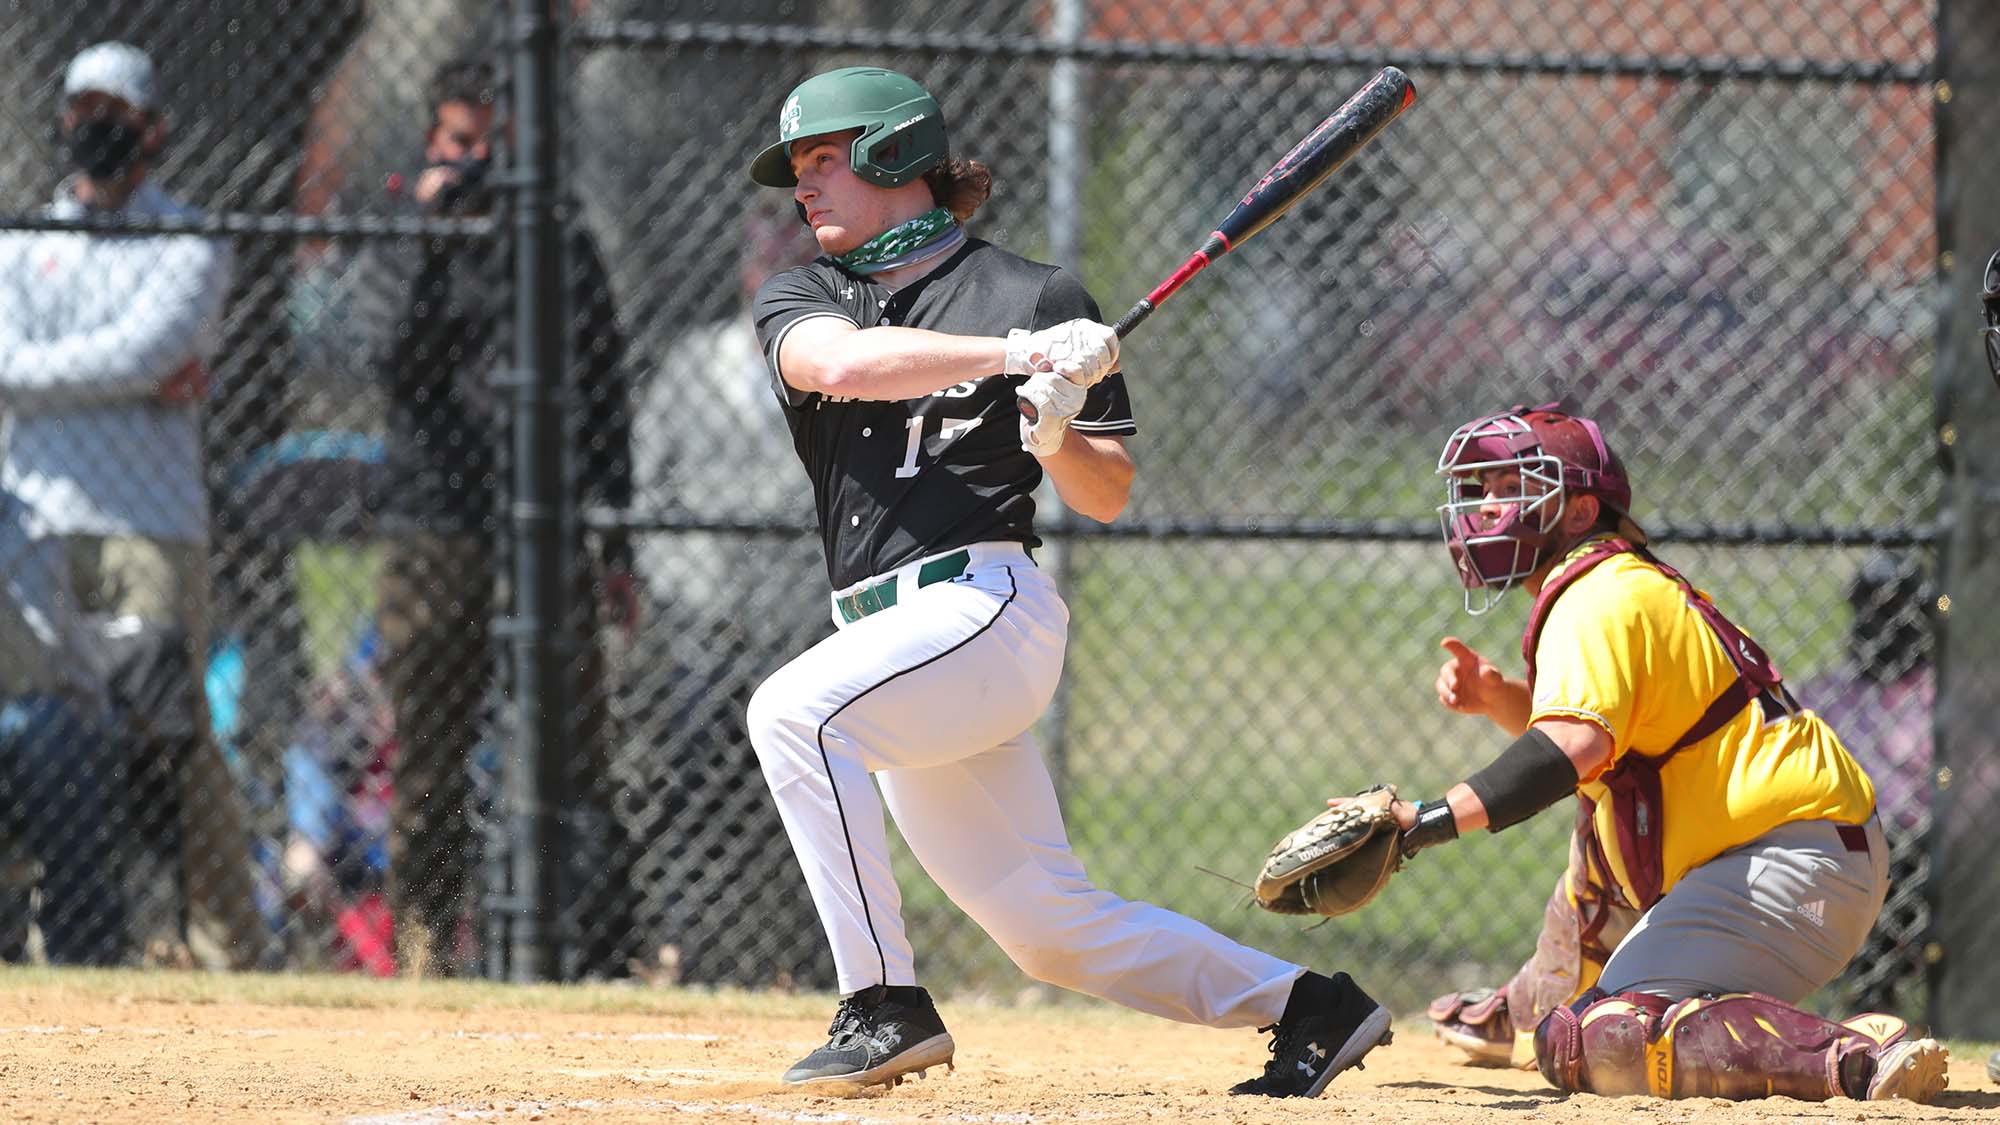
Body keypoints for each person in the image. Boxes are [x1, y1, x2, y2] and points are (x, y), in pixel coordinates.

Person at [741, 65, 1387, 1096]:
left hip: (981, 612)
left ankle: (881, 1005)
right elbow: (845, 366)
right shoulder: (812, 293)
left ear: (893, 153)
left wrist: (1049, 435)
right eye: (800, 169)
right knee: (1046, 929)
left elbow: (1107, 492)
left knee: (793, 714)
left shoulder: (1039, 293)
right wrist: (1014, 358)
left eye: (824, 160)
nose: (804, 187)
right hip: (887, 646)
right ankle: (1310, 1005)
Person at [1369, 404, 1946, 1102]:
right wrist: (1500, 701)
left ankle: (1848, 1054)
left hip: (1785, 859)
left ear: (1580, 511)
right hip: (1785, 853)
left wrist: (1422, 822)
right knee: (1597, 854)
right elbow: (1595, 738)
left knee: (1599, 1040)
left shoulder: (1596, 597)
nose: (1485, 508)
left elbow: (1569, 750)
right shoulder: (1609, 583)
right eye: (1481, 490)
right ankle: (1530, 1011)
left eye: (1511, 487)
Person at [350, 57, 638, 978]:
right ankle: (427, 942)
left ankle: (581, 949)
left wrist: (615, 539)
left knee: (569, 744)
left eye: (491, 145)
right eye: (458, 144)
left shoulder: (554, 235)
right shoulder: (412, 239)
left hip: (544, 522)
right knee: (429, 748)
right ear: (434, 145)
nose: (476, 161)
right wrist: (433, 233)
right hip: (438, 520)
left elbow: (604, 394)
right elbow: (381, 355)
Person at [0, 40, 267, 971]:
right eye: (78, 107)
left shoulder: (188, 241)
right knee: (34, 730)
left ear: (152, 130)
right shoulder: (23, 241)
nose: (92, 126)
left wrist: (44, 377)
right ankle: (51, 938)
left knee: (169, 735)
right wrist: (126, 375)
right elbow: (116, 364)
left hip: (149, 528)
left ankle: (228, 946)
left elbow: (152, 348)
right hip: (30, 524)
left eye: (113, 110)